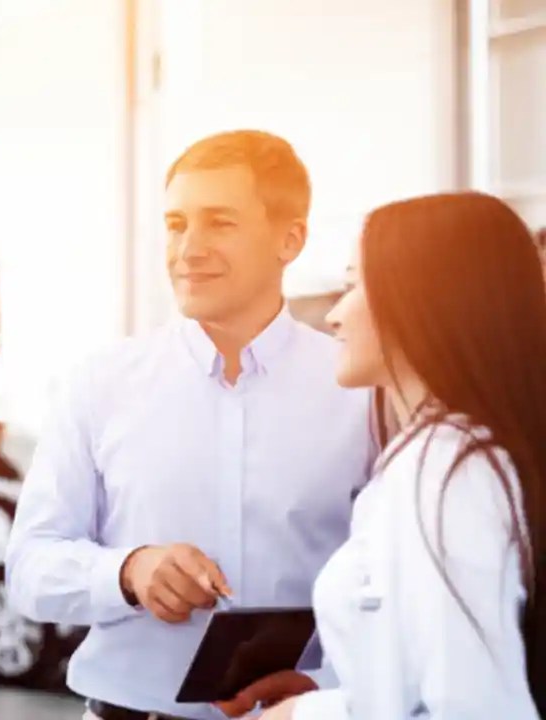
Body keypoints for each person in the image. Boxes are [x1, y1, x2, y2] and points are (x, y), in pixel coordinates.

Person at [4, 129, 377, 720]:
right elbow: (29, 568)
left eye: (220, 223)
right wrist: (128, 571)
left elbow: (387, 587)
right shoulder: (100, 383)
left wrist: (327, 686)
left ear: (290, 239)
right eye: (176, 224)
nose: (189, 249)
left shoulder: (359, 391)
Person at [227, 192, 546, 719]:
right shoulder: (454, 457)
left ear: (420, 300)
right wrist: (327, 688)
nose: (334, 315)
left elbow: (472, 708)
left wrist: (304, 716)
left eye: (353, 285)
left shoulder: (447, 469)